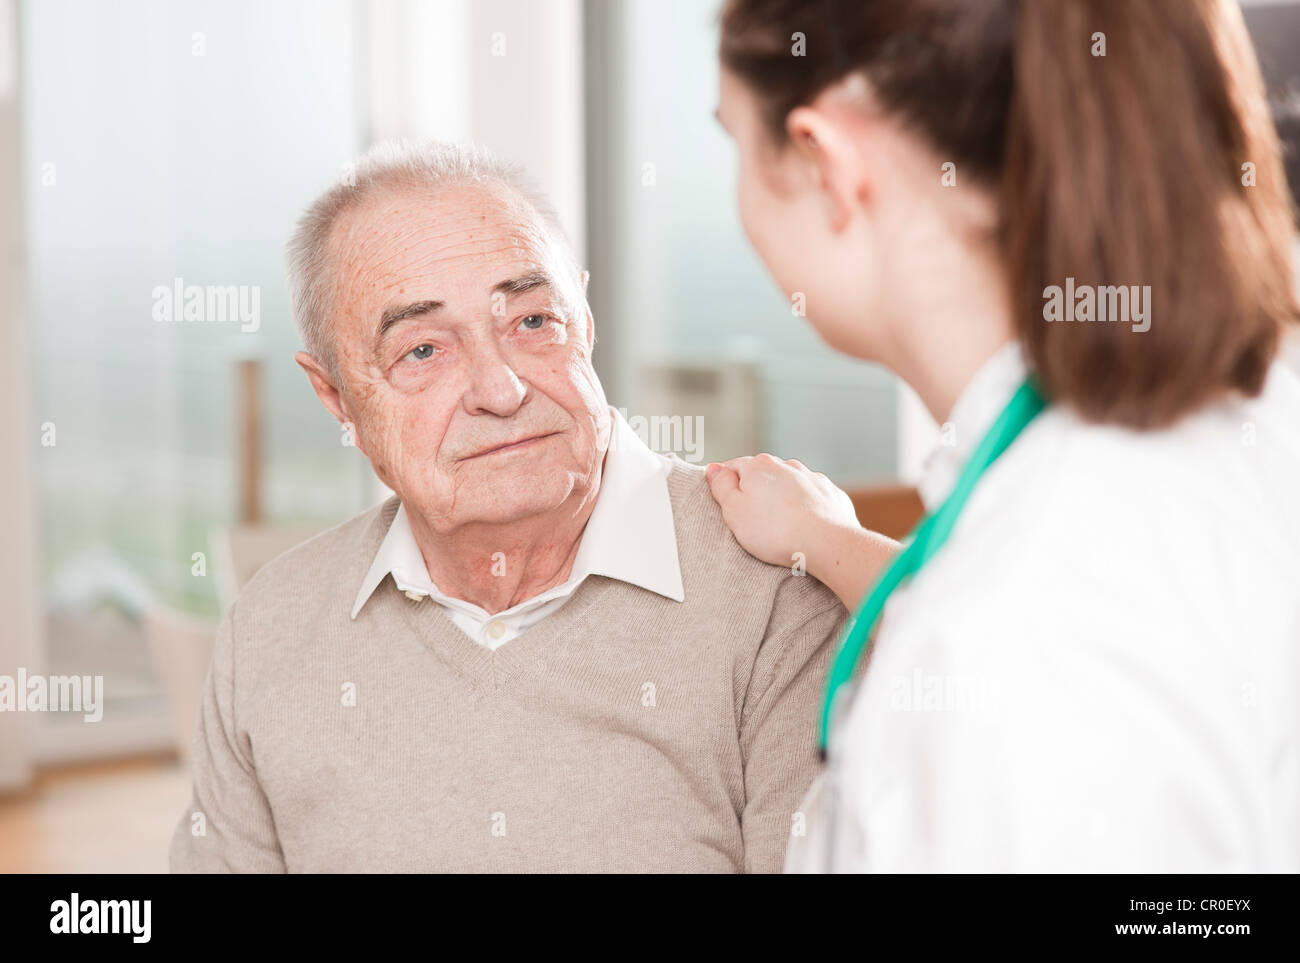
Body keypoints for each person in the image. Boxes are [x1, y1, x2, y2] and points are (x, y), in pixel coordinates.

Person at [708, 0, 1300, 871]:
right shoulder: (1213, 428)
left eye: (733, 141)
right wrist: (828, 542)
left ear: (823, 161)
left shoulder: (1023, 644)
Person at [169, 141, 845, 873]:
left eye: (531, 321)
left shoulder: (776, 589)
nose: (501, 390)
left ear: (582, 321)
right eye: (423, 351)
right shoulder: (271, 624)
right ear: (336, 399)